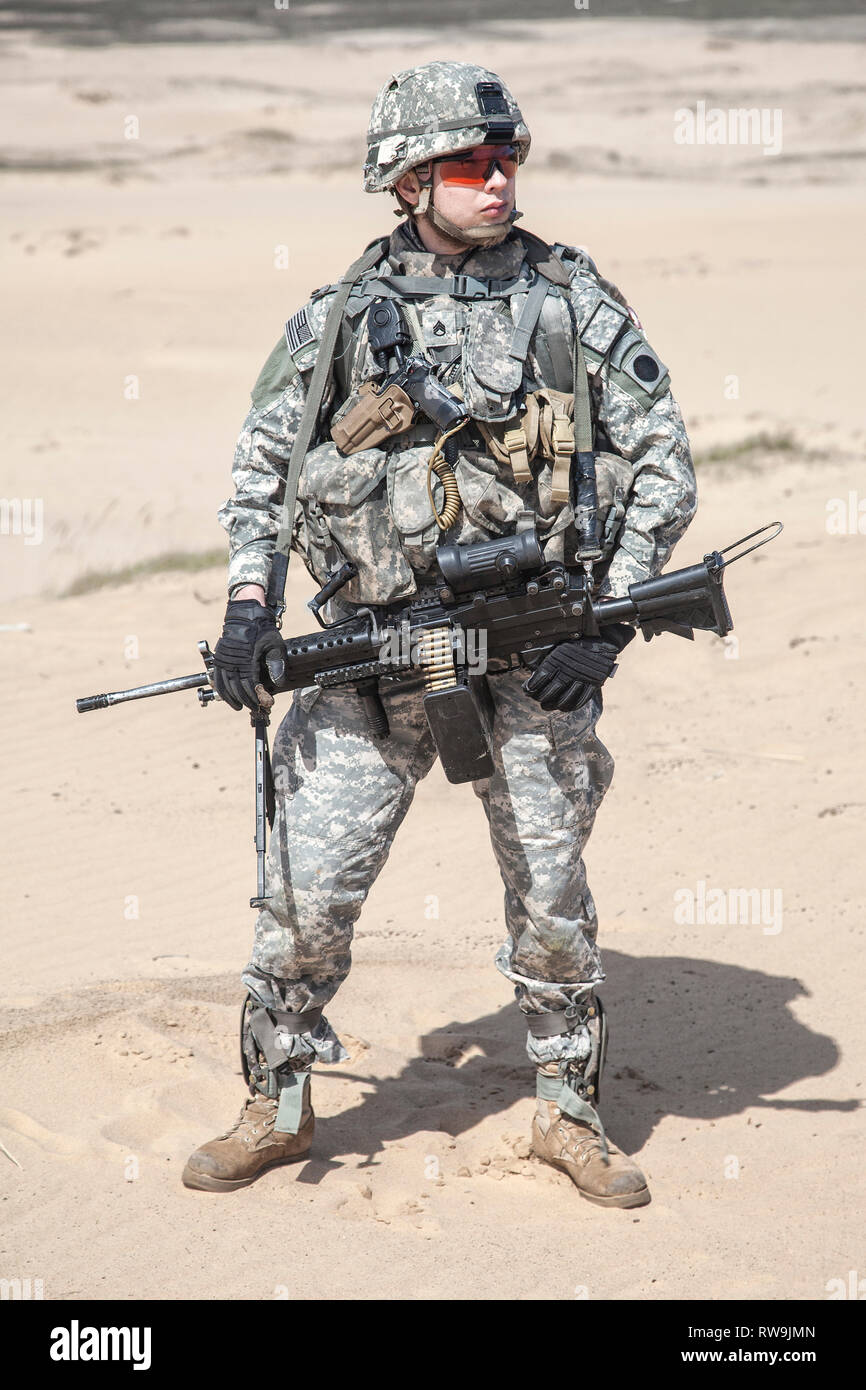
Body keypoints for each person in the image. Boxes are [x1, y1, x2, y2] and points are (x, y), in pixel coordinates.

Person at [182, 61, 697, 1207]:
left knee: (552, 896)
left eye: (506, 157)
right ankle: (274, 1101)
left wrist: (605, 621)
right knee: (301, 896)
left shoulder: (572, 306)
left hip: (531, 660)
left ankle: (567, 1112)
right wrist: (246, 609)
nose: (498, 178)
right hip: (370, 656)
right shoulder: (333, 323)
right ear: (408, 180)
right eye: (470, 163)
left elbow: (663, 468)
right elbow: (260, 479)